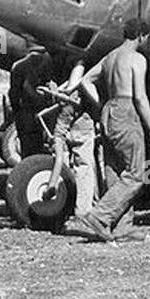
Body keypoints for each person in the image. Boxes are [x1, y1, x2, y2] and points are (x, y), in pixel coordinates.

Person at [74, 18, 150, 242]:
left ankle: (122, 227)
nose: (147, 41)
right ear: (141, 36)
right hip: (126, 109)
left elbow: (86, 80)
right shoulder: (137, 59)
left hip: (109, 110)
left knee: (115, 169)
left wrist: (101, 104)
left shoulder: (110, 57)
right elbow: (140, 96)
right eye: (147, 37)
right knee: (136, 174)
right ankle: (100, 216)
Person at [53, 56, 101, 218]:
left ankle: (63, 204)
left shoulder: (72, 64)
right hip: (83, 122)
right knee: (85, 166)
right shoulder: (92, 70)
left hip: (70, 121)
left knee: (67, 163)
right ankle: (83, 209)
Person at [8, 45, 55, 159]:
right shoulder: (47, 62)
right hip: (41, 110)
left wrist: (16, 111)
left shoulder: (18, 65)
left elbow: (13, 93)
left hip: (24, 111)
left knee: (27, 144)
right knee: (42, 143)